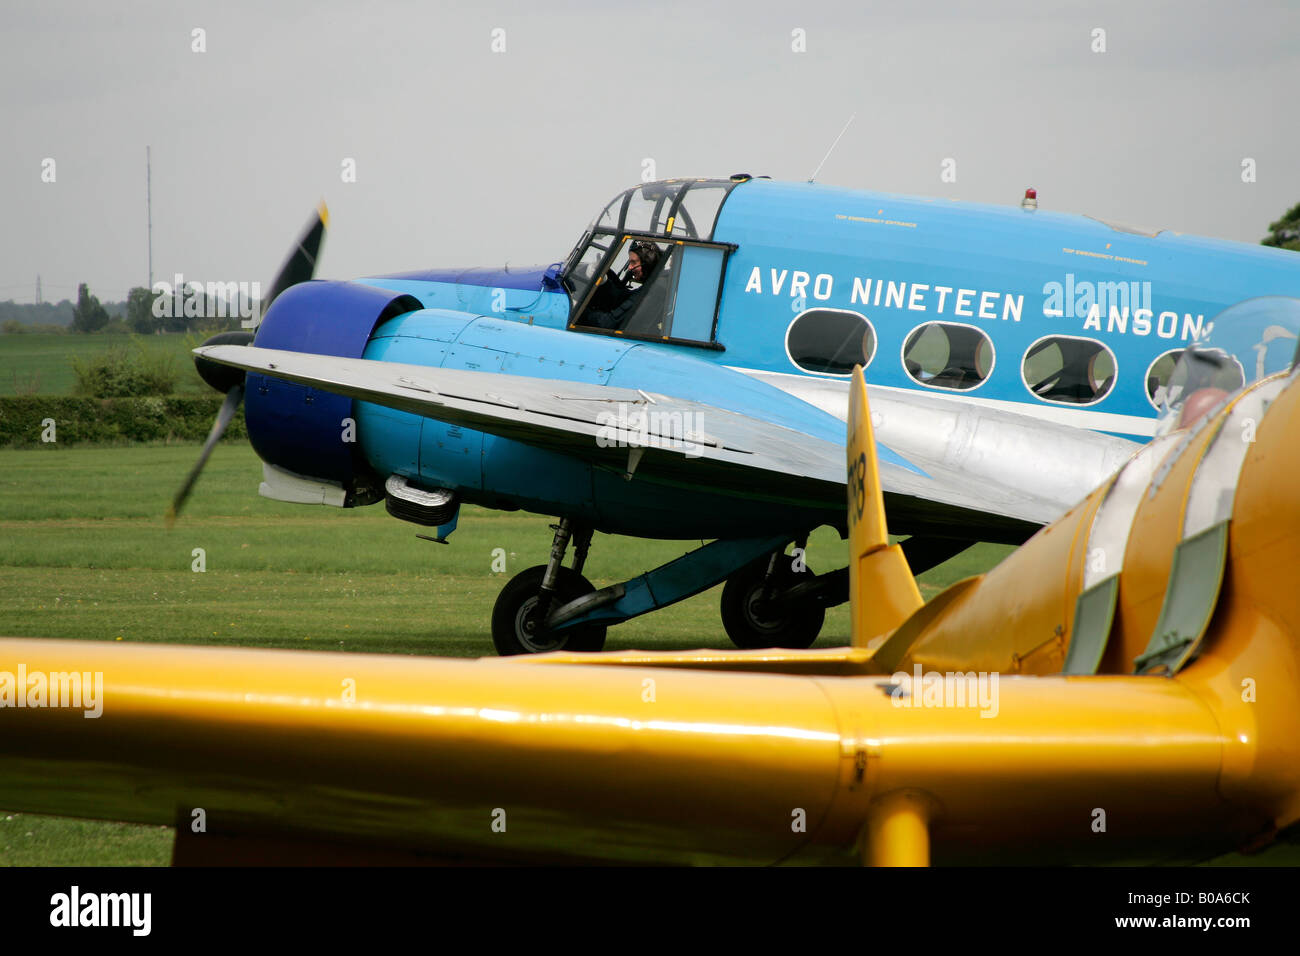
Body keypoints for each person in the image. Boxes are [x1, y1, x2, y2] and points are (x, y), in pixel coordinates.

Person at [582, 240, 661, 330]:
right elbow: (624, 297)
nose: (630, 267)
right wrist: (605, 282)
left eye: (634, 262)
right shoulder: (652, 287)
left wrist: (580, 310)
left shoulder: (651, 293)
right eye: (629, 262)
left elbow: (606, 323)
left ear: (647, 264)